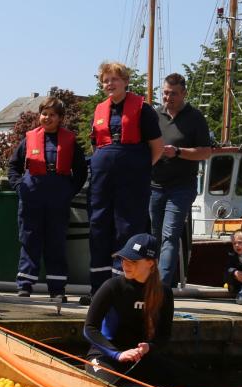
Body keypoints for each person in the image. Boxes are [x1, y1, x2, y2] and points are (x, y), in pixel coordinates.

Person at [88, 61, 163, 293]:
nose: (110, 84)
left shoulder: (143, 109)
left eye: (115, 79)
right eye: (106, 80)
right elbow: (95, 145)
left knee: (127, 228)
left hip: (132, 178)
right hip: (103, 177)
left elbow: (157, 147)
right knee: (99, 226)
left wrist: (138, 168)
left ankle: (125, 285)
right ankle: (99, 288)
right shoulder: (100, 110)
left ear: (125, 81)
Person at [6, 96, 87, 300]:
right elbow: (13, 166)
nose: (47, 118)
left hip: (58, 196)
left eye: (52, 115)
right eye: (44, 114)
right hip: (32, 194)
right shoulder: (29, 139)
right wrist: (19, 187)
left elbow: (80, 171)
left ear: (60, 118)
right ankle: (25, 285)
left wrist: (69, 191)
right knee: (29, 239)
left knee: (56, 243)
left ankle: (57, 290)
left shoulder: (70, 140)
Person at [83, 233, 185, 387]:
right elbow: (89, 329)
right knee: (110, 386)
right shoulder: (112, 287)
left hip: (139, 359)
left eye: (133, 261)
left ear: (150, 263)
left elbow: (164, 336)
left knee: (190, 379)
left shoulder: (164, 293)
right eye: (123, 259)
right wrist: (118, 354)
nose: (125, 264)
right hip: (105, 357)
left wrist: (149, 347)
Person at [150, 73, 213, 288]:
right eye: (165, 93)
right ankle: (149, 283)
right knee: (154, 236)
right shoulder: (154, 115)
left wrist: (177, 152)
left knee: (170, 235)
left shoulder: (195, 118)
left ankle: (162, 288)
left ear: (184, 93)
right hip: (154, 186)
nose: (168, 98)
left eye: (173, 94)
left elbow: (205, 152)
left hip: (181, 188)